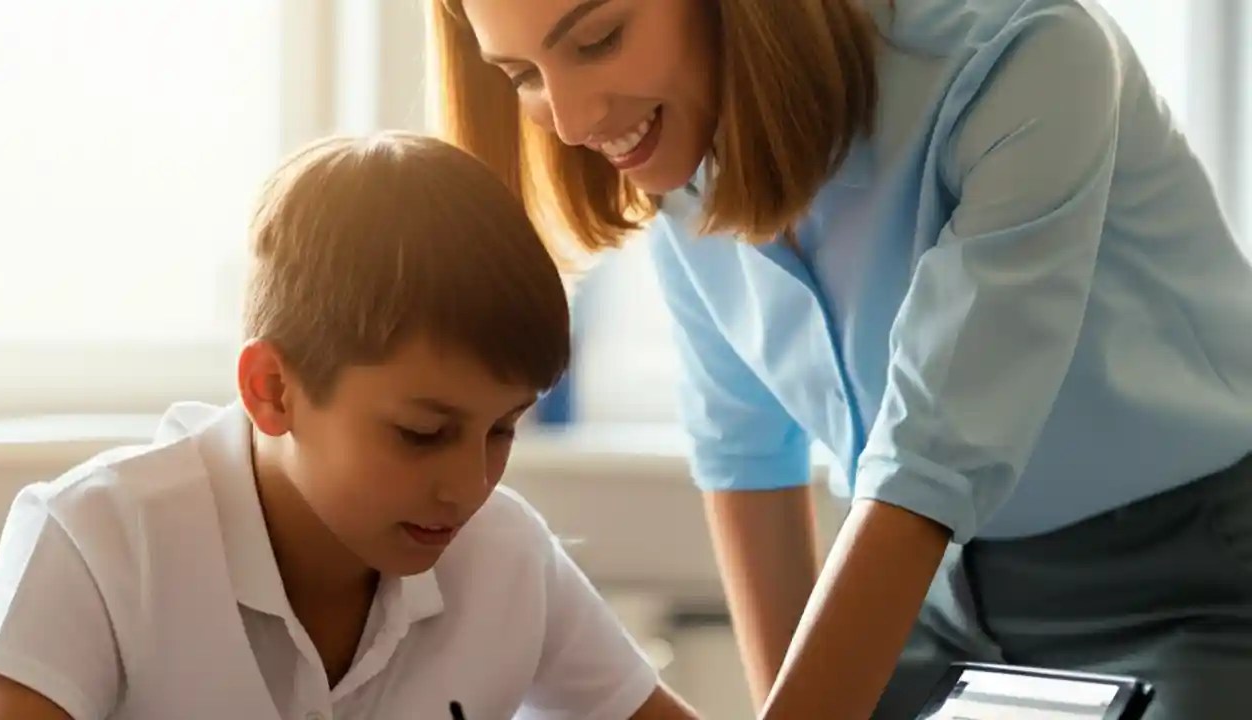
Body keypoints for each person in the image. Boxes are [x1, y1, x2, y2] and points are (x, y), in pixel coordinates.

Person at [429, 0, 1252, 717]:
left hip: (1186, 584)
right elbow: (744, 450)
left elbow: (930, 463)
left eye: (599, 39)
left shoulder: (1025, 55)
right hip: (934, 595)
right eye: (521, 74)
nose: (573, 122)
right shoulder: (675, 129)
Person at [0, 133, 699, 720]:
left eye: (503, 431)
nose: (468, 487)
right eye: (421, 433)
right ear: (272, 391)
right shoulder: (98, 540)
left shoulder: (506, 555)